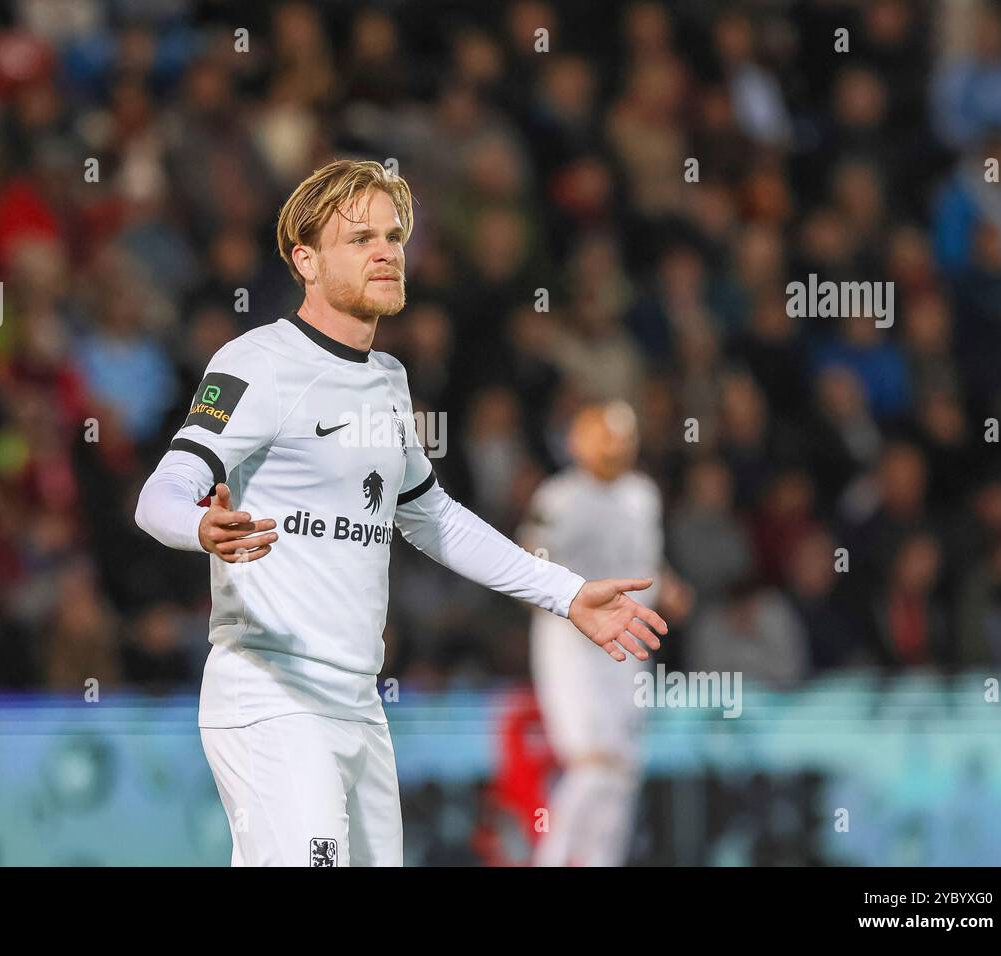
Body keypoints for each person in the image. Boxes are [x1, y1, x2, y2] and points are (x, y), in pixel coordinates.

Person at [134, 159, 667, 867]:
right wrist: (199, 526)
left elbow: (433, 517)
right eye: (360, 239)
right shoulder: (257, 362)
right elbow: (159, 495)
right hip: (272, 694)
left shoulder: (387, 381)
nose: (386, 251)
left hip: (358, 702)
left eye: (393, 236)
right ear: (306, 260)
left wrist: (566, 594)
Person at [523, 402, 663, 867]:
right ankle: (554, 858)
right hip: (571, 642)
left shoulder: (644, 495)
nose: (615, 447)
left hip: (631, 638)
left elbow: (646, 563)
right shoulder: (560, 497)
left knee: (623, 767)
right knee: (591, 763)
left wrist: (671, 585)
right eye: (605, 436)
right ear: (580, 440)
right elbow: (528, 560)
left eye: (624, 438)